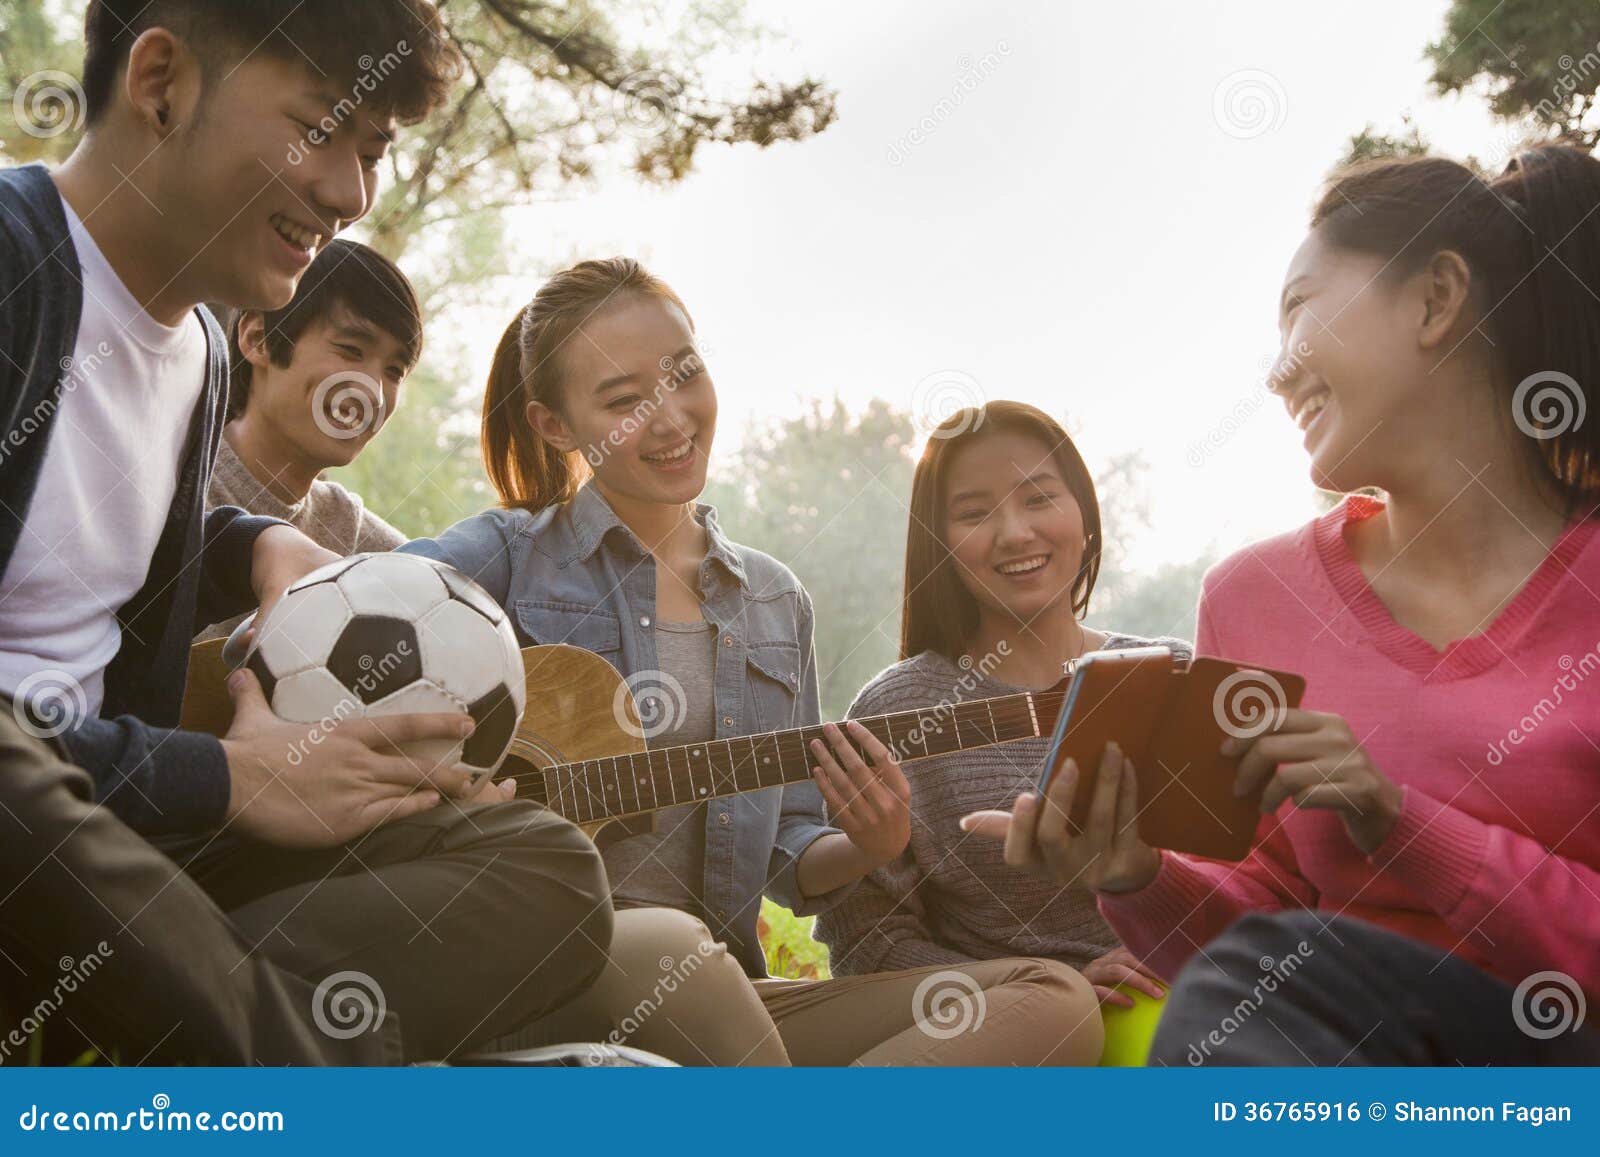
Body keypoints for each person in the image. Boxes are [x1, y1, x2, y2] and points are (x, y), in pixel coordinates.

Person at [0, 0, 609, 1066]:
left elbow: (93, 532)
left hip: (114, 838)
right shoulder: (16, 273)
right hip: (35, 819)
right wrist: (233, 777)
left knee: (539, 862)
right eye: (324, 128)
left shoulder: (195, 351)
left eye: (372, 153)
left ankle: (143, 1027)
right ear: (160, 83)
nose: (351, 193)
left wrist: (252, 544)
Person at [962, 146, 1600, 1056]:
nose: (1274, 374)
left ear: (1435, 298)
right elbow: (1256, 959)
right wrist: (1138, 877)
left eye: (1299, 308)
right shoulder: (1257, 597)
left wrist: (1396, 820)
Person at [402, 258, 1103, 1065]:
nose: (669, 419)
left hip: (726, 990)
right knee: (674, 950)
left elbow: (791, 845)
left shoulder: (773, 601)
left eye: (682, 375)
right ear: (557, 426)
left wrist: (871, 845)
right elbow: (348, 612)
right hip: (546, 977)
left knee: (1052, 997)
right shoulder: (506, 558)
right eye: (625, 401)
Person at [815, 401, 1178, 1011]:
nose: (1014, 533)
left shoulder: (1174, 675)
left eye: (1038, 499)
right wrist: (1045, 986)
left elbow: (1259, 888)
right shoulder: (895, 711)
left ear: (1084, 516)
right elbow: (867, 945)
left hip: (1191, 1011)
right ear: (942, 544)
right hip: (1006, 1035)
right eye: (975, 513)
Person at [200, 239, 418, 641]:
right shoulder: (164, 485)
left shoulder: (362, 545)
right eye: (350, 350)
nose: (372, 391)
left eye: (394, 371)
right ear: (258, 339)